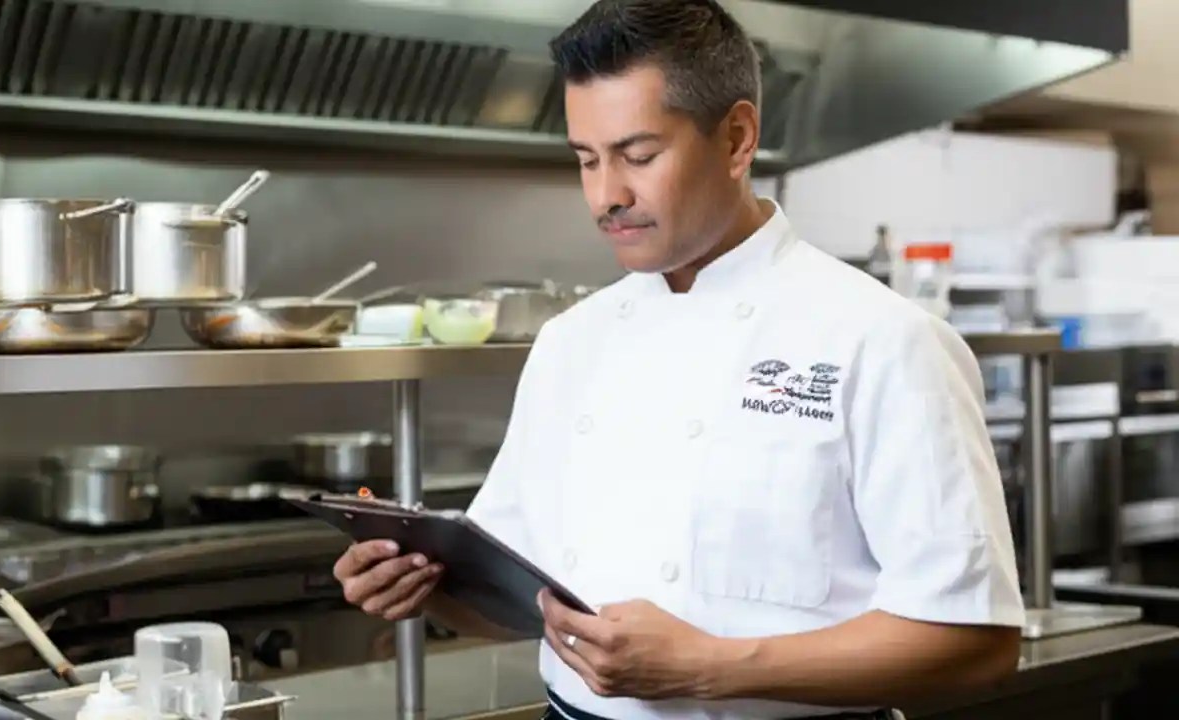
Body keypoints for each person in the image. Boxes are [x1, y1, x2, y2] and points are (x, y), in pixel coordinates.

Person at [332, 1, 1024, 717]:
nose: (607, 196)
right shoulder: (572, 341)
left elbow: (976, 641)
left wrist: (712, 669)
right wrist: (423, 585)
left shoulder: (881, 339)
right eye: (586, 160)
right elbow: (522, 605)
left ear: (737, 138)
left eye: (638, 156)